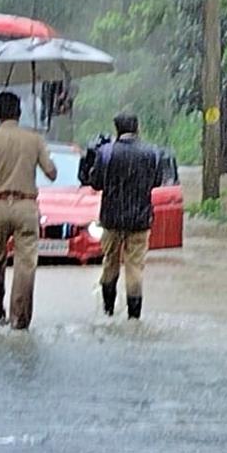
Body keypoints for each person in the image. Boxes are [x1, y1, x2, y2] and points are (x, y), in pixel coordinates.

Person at [0, 92, 58, 330]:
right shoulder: (34, 139)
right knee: (25, 264)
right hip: (26, 206)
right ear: (19, 113)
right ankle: (19, 319)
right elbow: (52, 173)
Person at [88, 112, 161, 320]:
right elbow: (157, 181)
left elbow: (95, 183)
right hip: (139, 220)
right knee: (135, 267)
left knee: (110, 262)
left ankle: (108, 312)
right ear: (137, 129)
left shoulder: (107, 152)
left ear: (117, 130)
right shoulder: (152, 153)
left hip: (111, 220)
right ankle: (134, 317)